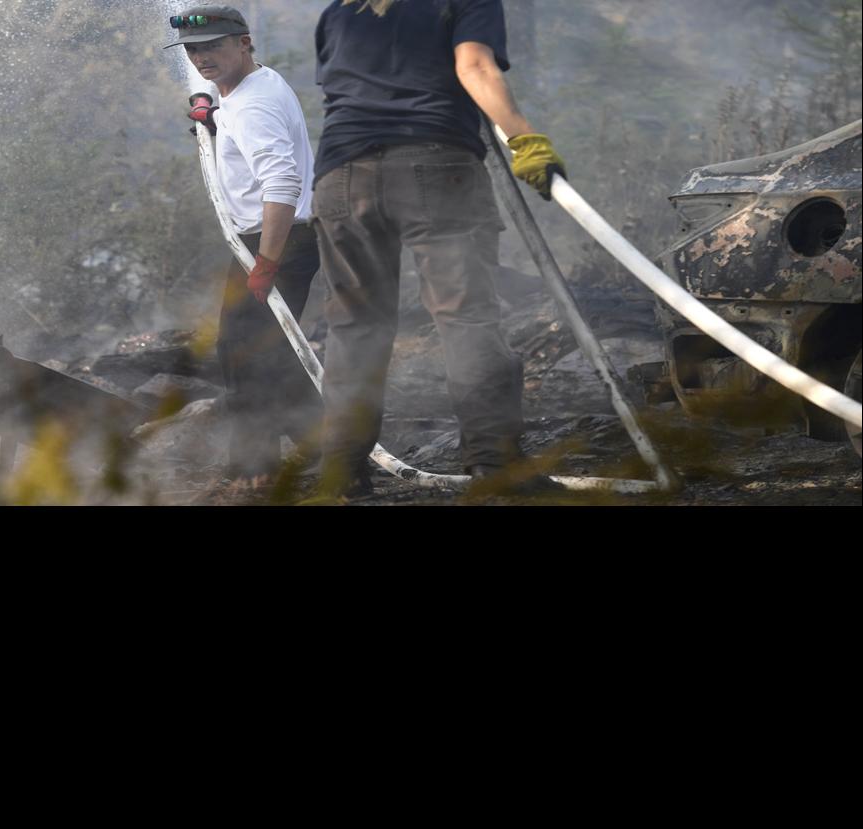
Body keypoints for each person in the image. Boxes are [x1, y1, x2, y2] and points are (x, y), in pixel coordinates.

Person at [306, 0, 568, 502]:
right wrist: (524, 139)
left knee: (356, 326)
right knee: (465, 318)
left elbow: (346, 89)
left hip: (342, 175)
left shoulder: (339, 10)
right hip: (434, 164)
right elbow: (472, 66)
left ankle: (340, 477)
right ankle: (495, 468)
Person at [167, 5, 322, 488]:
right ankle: (332, 447)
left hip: (275, 241)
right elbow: (226, 93)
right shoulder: (250, 85)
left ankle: (256, 466)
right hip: (270, 240)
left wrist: (267, 262)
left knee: (247, 355)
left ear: (244, 42)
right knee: (255, 351)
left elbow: (282, 182)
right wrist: (212, 118)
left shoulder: (251, 105)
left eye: (213, 46)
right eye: (193, 50)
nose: (201, 58)